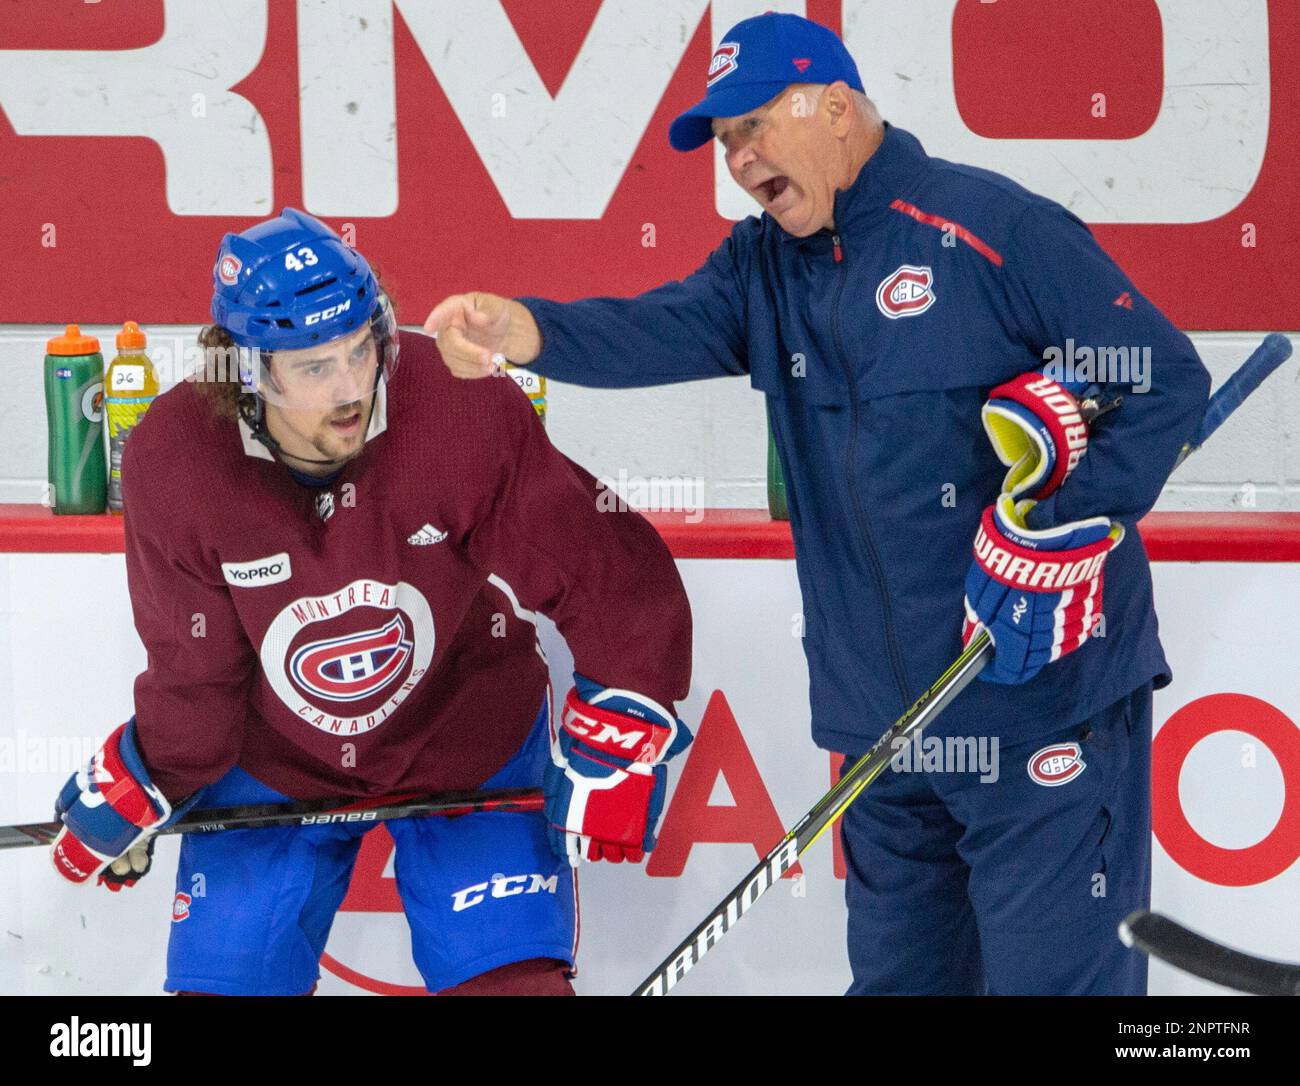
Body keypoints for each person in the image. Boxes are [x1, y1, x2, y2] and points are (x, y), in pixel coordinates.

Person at [425, 13, 1212, 995]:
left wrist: (1068, 523)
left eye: (753, 126)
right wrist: (527, 327)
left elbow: (1161, 380)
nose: (740, 159)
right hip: (882, 732)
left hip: (1037, 710)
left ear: (835, 108)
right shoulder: (761, 271)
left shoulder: (992, 231)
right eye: (722, 143)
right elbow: (653, 329)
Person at [49, 208, 693, 996]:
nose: (352, 391)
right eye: (314, 368)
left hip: (465, 737)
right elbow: (196, 667)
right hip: (276, 759)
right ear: (246, 371)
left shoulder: (460, 407)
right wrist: (153, 774)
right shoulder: (175, 456)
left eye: (363, 351)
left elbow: (604, 573)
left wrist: (622, 713)